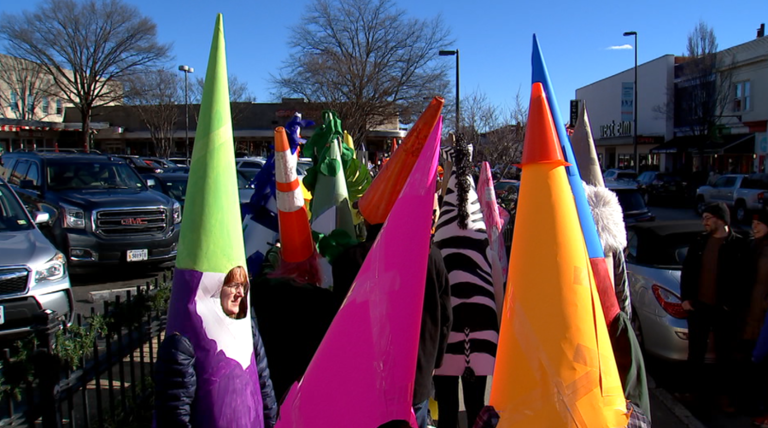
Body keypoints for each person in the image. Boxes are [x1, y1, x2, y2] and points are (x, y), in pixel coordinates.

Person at [332, 211, 452, 428]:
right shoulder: (430, 256)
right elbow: (445, 318)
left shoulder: (348, 261)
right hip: (417, 373)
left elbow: (337, 327)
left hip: (366, 379)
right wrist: (435, 362)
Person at [155, 266, 278, 427]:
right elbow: (174, 412)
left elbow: (264, 384)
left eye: (243, 285)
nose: (240, 293)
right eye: (233, 285)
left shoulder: (248, 330)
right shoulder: (181, 343)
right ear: (214, 287)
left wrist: (270, 422)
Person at [680, 202, 750, 411]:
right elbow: (688, 272)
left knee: (725, 355)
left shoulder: (738, 245)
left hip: (724, 310)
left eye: (708, 218)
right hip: (699, 307)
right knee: (695, 354)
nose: (704, 222)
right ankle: (693, 394)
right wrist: (686, 299)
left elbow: (744, 279)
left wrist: (734, 306)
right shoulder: (700, 242)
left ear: (721, 220)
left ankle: (724, 398)